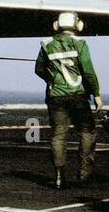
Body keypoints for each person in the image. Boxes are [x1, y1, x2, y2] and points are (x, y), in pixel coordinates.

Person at [35, 12, 100, 188]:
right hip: (78, 96)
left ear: (57, 25)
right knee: (87, 131)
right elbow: (88, 71)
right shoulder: (80, 44)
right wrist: (97, 94)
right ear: (77, 26)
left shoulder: (47, 44)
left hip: (56, 97)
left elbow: (39, 69)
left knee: (58, 135)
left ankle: (58, 175)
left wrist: (53, 80)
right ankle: (85, 172)